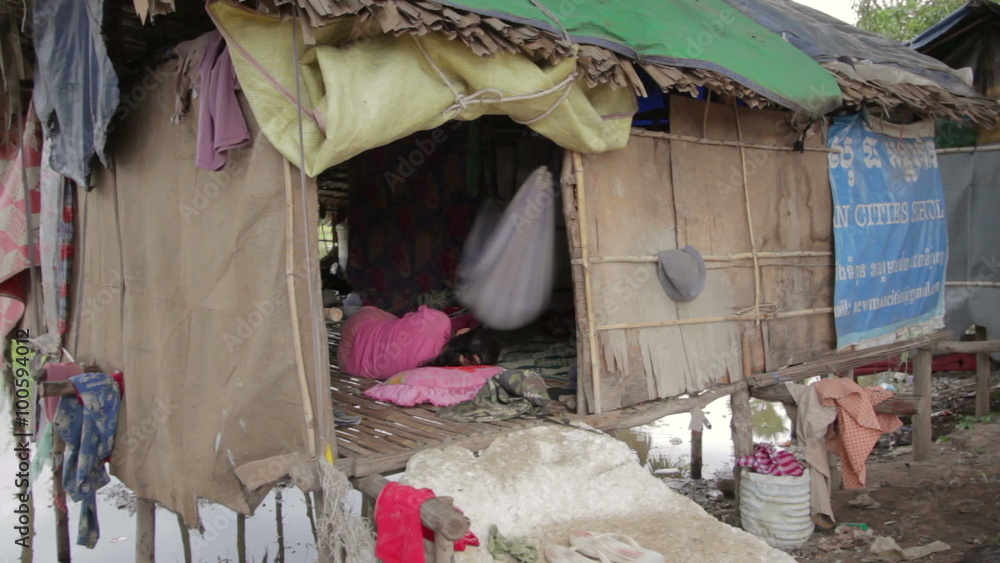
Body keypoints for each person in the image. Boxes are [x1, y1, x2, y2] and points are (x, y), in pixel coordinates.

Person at [338, 304, 500, 379]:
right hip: (349, 366)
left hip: (357, 326)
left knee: (391, 319)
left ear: (464, 333)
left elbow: (408, 318)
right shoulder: (435, 375)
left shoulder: (438, 319)